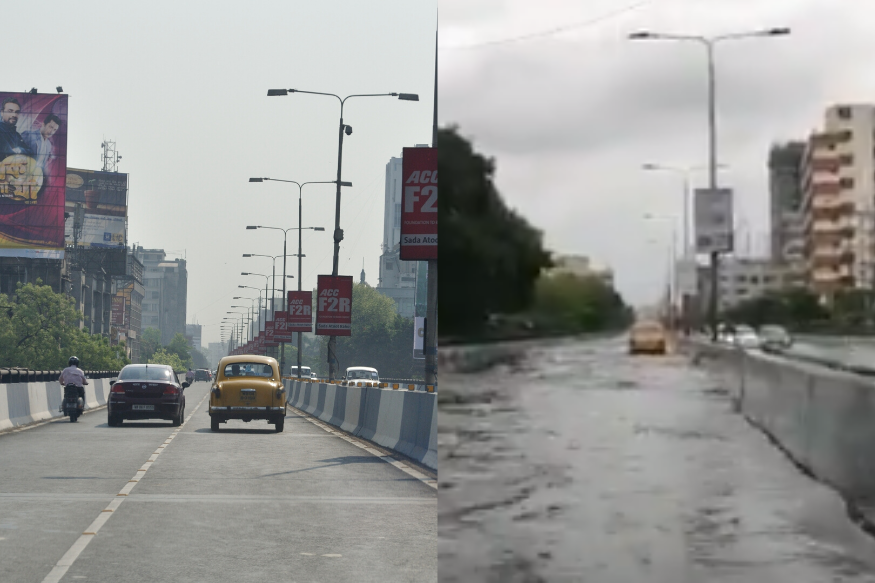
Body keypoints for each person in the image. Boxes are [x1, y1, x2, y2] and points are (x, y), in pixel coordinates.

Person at [0, 98, 32, 162]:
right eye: (10, 111)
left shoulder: (16, 134)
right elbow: (8, 153)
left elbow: (31, 153)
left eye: (17, 112)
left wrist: (19, 150)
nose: (14, 115)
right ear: (2, 113)